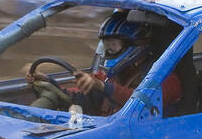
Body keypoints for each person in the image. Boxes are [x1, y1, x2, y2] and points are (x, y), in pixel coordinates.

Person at [27, 10, 184, 116]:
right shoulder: (110, 76)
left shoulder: (167, 80)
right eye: (106, 45)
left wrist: (102, 86)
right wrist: (50, 83)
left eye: (114, 45)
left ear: (136, 44)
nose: (108, 51)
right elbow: (79, 93)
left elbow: (140, 101)